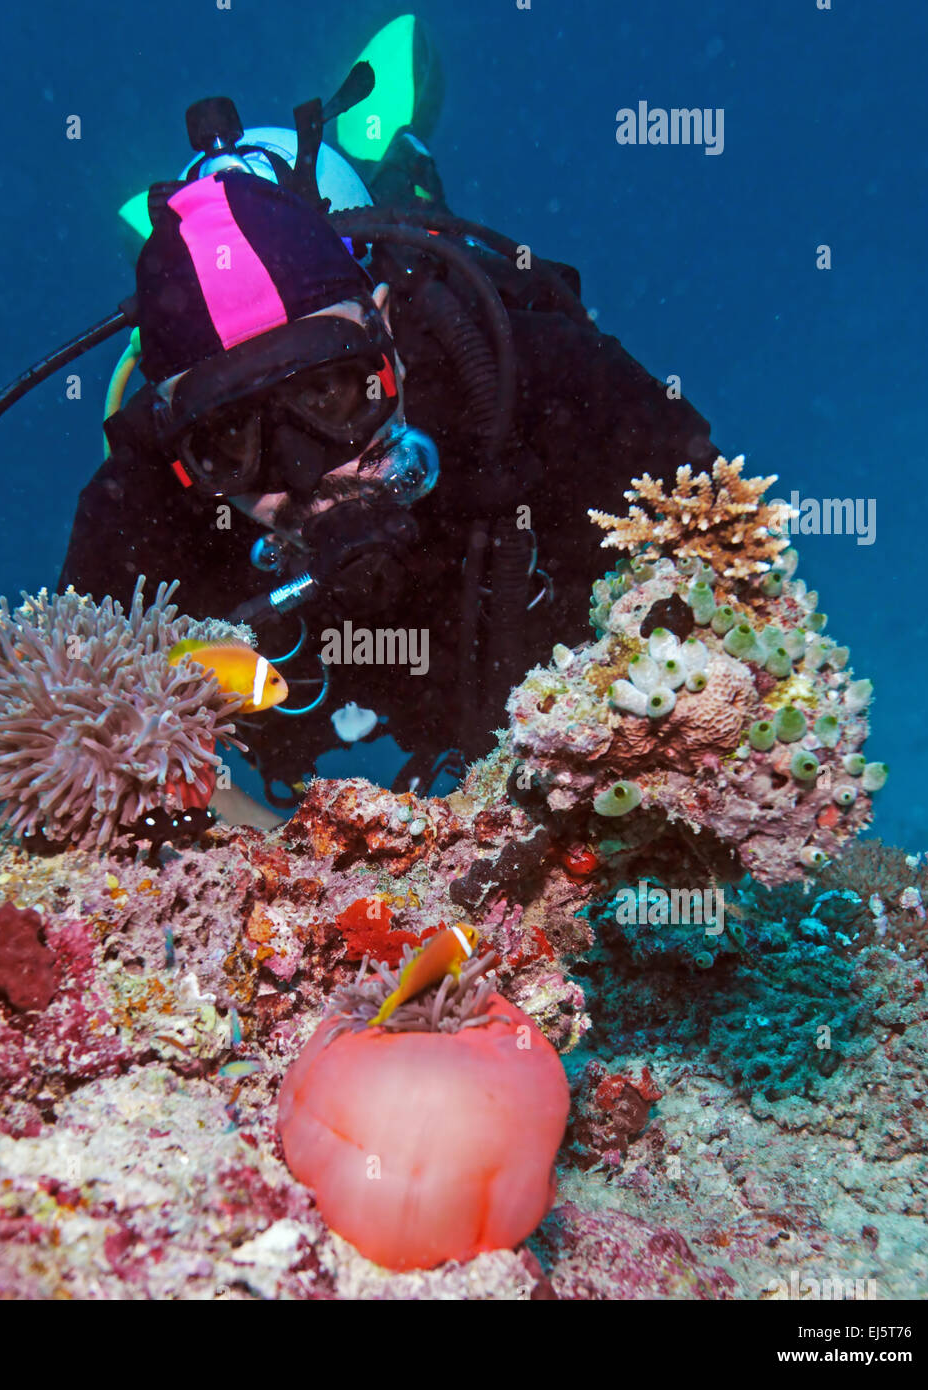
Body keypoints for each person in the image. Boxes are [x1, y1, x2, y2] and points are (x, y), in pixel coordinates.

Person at [58, 15, 719, 825]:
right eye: (233, 438)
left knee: (411, 212)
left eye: (332, 396)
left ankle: (382, 152)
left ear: (386, 343)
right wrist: (280, 869)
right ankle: (211, 217)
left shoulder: (533, 377)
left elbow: (709, 541)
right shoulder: (140, 505)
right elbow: (89, 734)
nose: (309, 474)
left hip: (390, 254)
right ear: (177, 441)